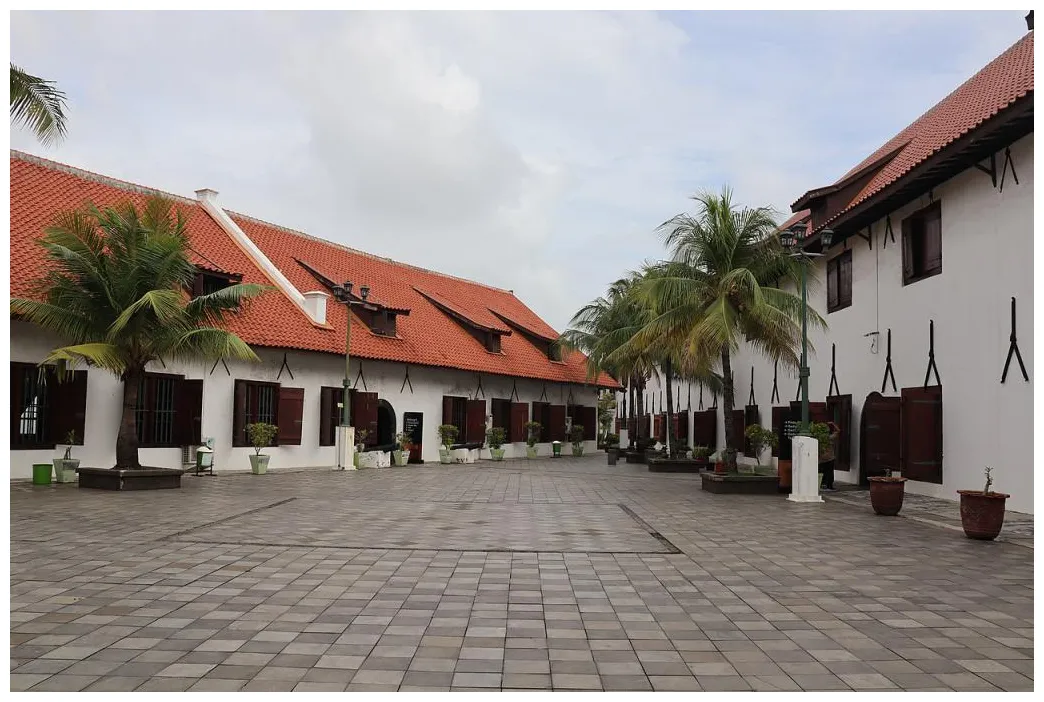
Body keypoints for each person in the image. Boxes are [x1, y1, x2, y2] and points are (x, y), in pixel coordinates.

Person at [819, 421, 840, 491]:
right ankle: (829, 486)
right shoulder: (829, 438)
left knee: (822, 472)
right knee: (829, 473)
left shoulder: (819, 438)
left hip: (821, 459)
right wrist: (833, 424)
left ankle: (822, 485)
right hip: (829, 457)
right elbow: (838, 431)